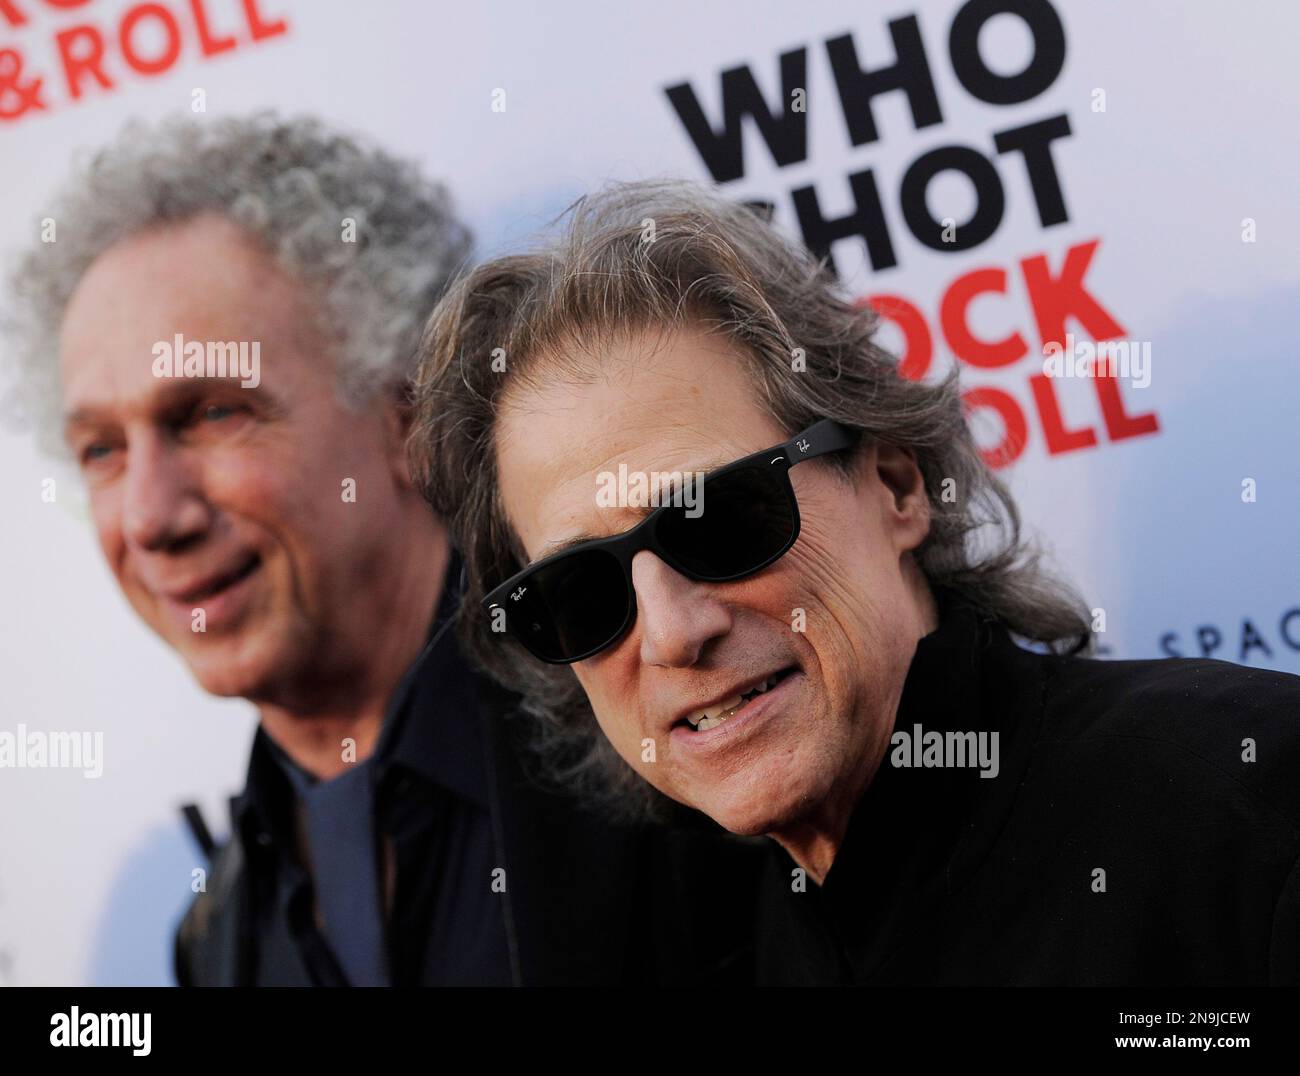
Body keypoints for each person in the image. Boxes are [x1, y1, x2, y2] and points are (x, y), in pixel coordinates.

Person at [408, 177, 1300, 986]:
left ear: (896, 484)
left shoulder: (1253, 812)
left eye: (721, 518)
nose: (674, 631)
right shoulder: (703, 949)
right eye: (580, 594)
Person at [5, 121, 760, 986]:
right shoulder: (213, 942)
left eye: (214, 415)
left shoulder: (678, 750)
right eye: (101, 449)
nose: (148, 516)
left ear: (409, 420)